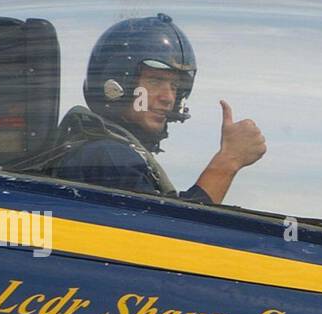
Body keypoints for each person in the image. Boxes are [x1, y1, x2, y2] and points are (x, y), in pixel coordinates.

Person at [49, 13, 265, 204]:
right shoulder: (110, 157)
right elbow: (171, 237)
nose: (169, 98)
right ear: (115, 84)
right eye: (154, 81)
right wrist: (228, 160)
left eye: (175, 86)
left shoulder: (101, 150)